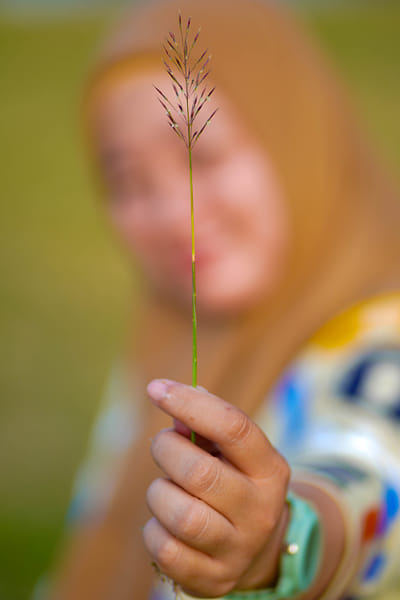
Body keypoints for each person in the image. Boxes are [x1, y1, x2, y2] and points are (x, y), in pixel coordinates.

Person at [47, 0, 400, 598]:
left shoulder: (382, 343)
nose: (170, 214)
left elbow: (369, 477)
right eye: (127, 181)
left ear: (299, 142)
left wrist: (282, 544)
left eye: (202, 155)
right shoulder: (159, 349)